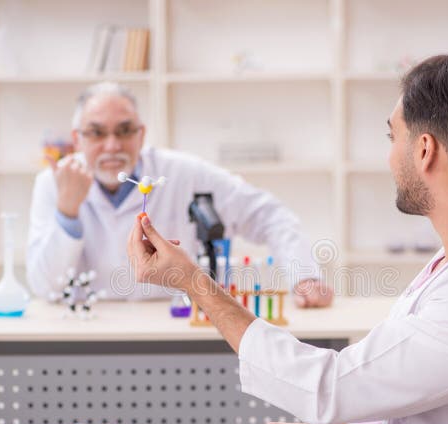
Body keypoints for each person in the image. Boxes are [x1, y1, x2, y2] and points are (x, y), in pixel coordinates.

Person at [125, 52, 448, 424]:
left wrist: (192, 283)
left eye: (391, 137)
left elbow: (329, 386)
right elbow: (420, 393)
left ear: (425, 150)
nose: (388, 156)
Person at [26, 82, 333, 306]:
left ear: (141, 134)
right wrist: (67, 211)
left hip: (174, 328)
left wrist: (304, 277)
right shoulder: (53, 183)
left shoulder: (183, 173)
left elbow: (270, 216)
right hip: (88, 336)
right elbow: (45, 286)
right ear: (77, 140)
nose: (111, 146)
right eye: (96, 133)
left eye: (124, 131)